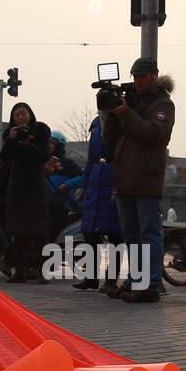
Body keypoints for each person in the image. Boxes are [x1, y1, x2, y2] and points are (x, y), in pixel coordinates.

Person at [101, 56, 175, 303]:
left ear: (154, 74)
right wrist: (113, 113)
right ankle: (135, 280)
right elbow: (109, 139)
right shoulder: (132, 100)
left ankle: (151, 284)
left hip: (146, 178)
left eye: (141, 76)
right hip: (125, 178)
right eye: (134, 77)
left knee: (149, 233)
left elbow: (155, 134)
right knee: (131, 234)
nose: (137, 81)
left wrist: (128, 113)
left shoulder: (163, 103)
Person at [0, 103, 50, 283]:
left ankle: (42, 271)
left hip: (36, 186)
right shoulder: (10, 134)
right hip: (17, 187)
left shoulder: (40, 131)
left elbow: (43, 156)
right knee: (18, 231)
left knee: (40, 231)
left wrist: (29, 144)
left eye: (23, 113)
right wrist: (11, 140)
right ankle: (18, 271)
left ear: (30, 115)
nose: (20, 117)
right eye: (17, 114)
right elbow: (4, 157)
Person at [72, 116, 123, 291]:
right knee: (90, 233)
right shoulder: (95, 126)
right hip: (96, 178)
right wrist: (84, 185)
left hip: (114, 177)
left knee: (116, 235)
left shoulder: (121, 121)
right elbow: (90, 159)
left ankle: (111, 280)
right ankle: (91, 277)